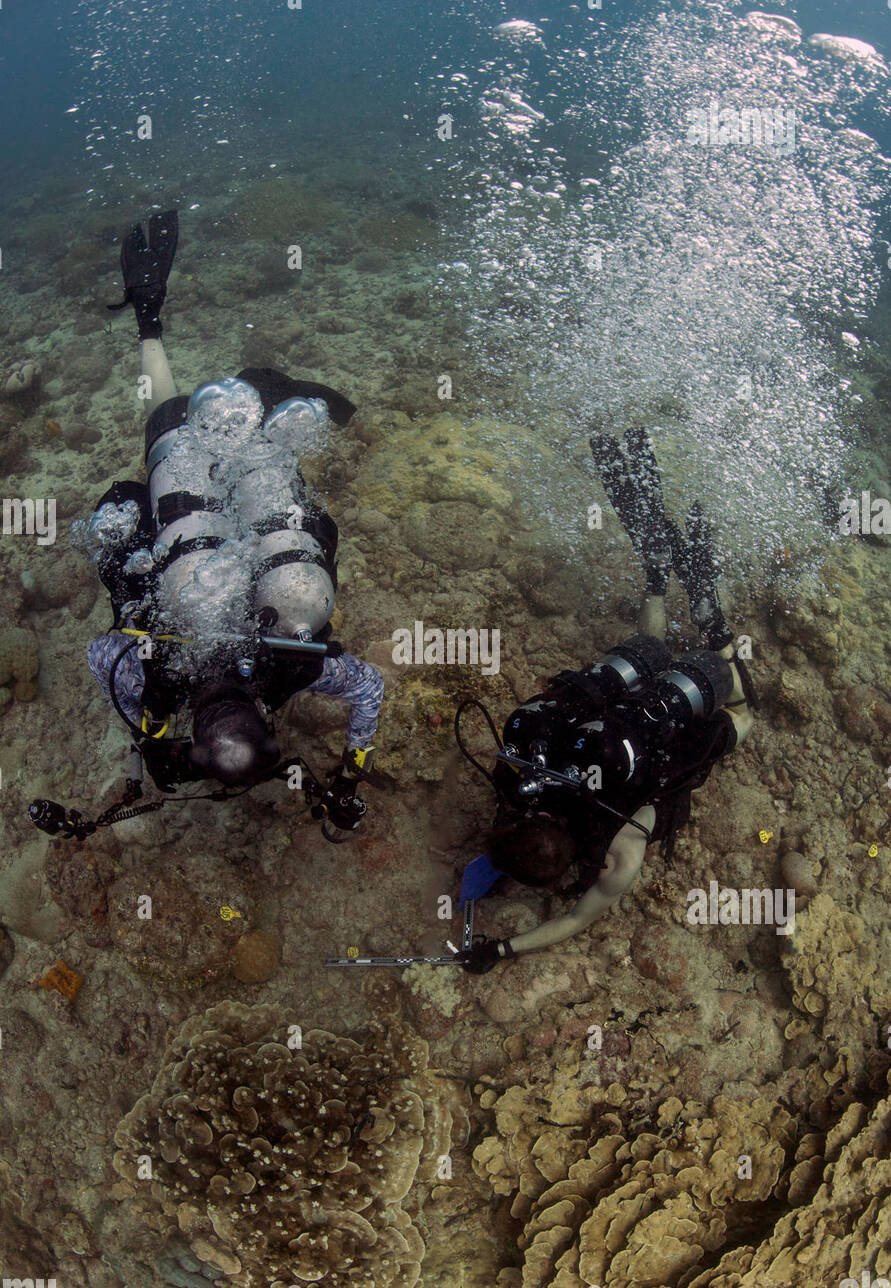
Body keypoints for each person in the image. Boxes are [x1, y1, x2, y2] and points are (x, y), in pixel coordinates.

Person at [78, 210, 383, 830]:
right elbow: (98, 653)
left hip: (241, 509)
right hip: (181, 498)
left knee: (264, 470)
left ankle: (264, 408)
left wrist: (148, 743)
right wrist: (152, 722)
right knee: (169, 421)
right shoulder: (156, 672)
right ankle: (150, 316)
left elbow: (369, 686)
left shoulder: (294, 663)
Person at [457, 427, 755, 971]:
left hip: (652, 735)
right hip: (610, 721)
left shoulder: (618, 855)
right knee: (654, 649)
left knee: (744, 711)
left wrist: (502, 949)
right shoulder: (522, 775)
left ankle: (714, 636)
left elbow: (575, 921)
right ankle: (659, 581)